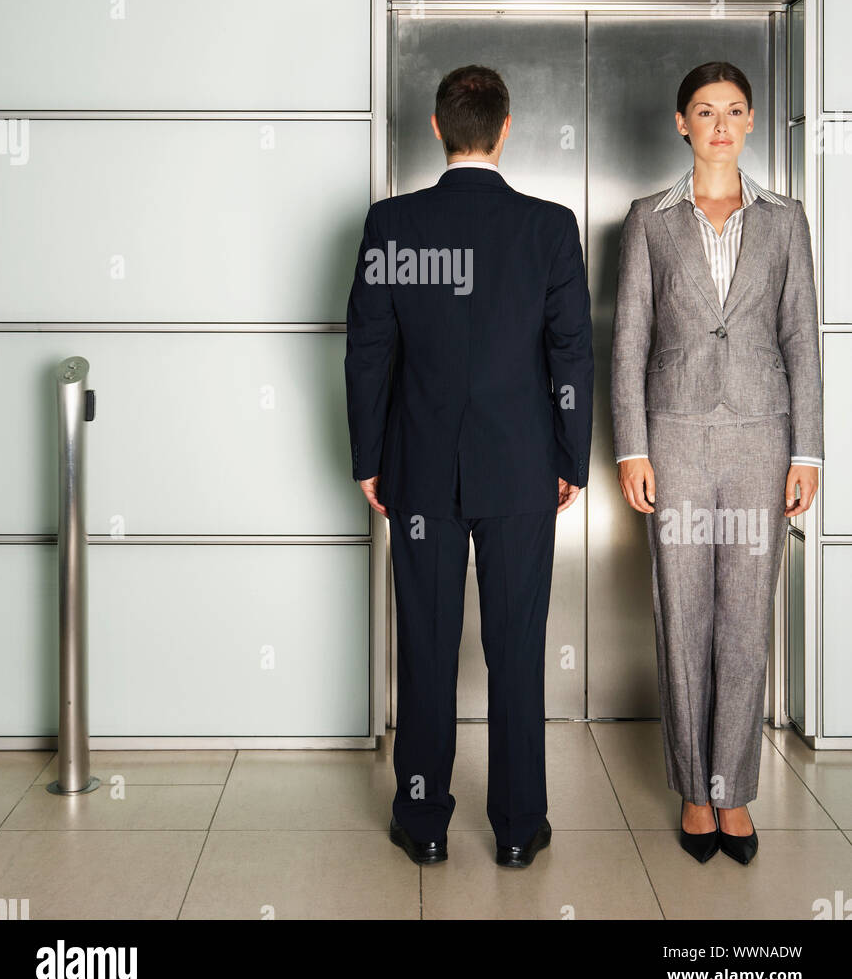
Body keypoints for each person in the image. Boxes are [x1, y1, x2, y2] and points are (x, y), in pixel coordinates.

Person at [345, 64, 593, 868]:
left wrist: (369, 460)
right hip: (523, 472)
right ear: (507, 127)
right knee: (518, 650)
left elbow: (369, 355)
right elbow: (571, 354)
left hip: (419, 472)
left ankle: (423, 826)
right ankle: (520, 828)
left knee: (425, 644)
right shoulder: (550, 227)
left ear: (436, 126)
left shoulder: (392, 223)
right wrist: (570, 457)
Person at [611, 62, 822, 865]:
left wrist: (807, 450)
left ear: (753, 121)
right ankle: (694, 793)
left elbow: (802, 336)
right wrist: (632, 445)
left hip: (763, 439)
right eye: (706, 112)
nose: (722, 125)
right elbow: (628, 340)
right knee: (683, 613)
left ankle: (733, 790)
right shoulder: (649, 221)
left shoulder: (786, 220)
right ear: (682, 124)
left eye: (735, 111)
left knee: (746, 620)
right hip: (675, 437)